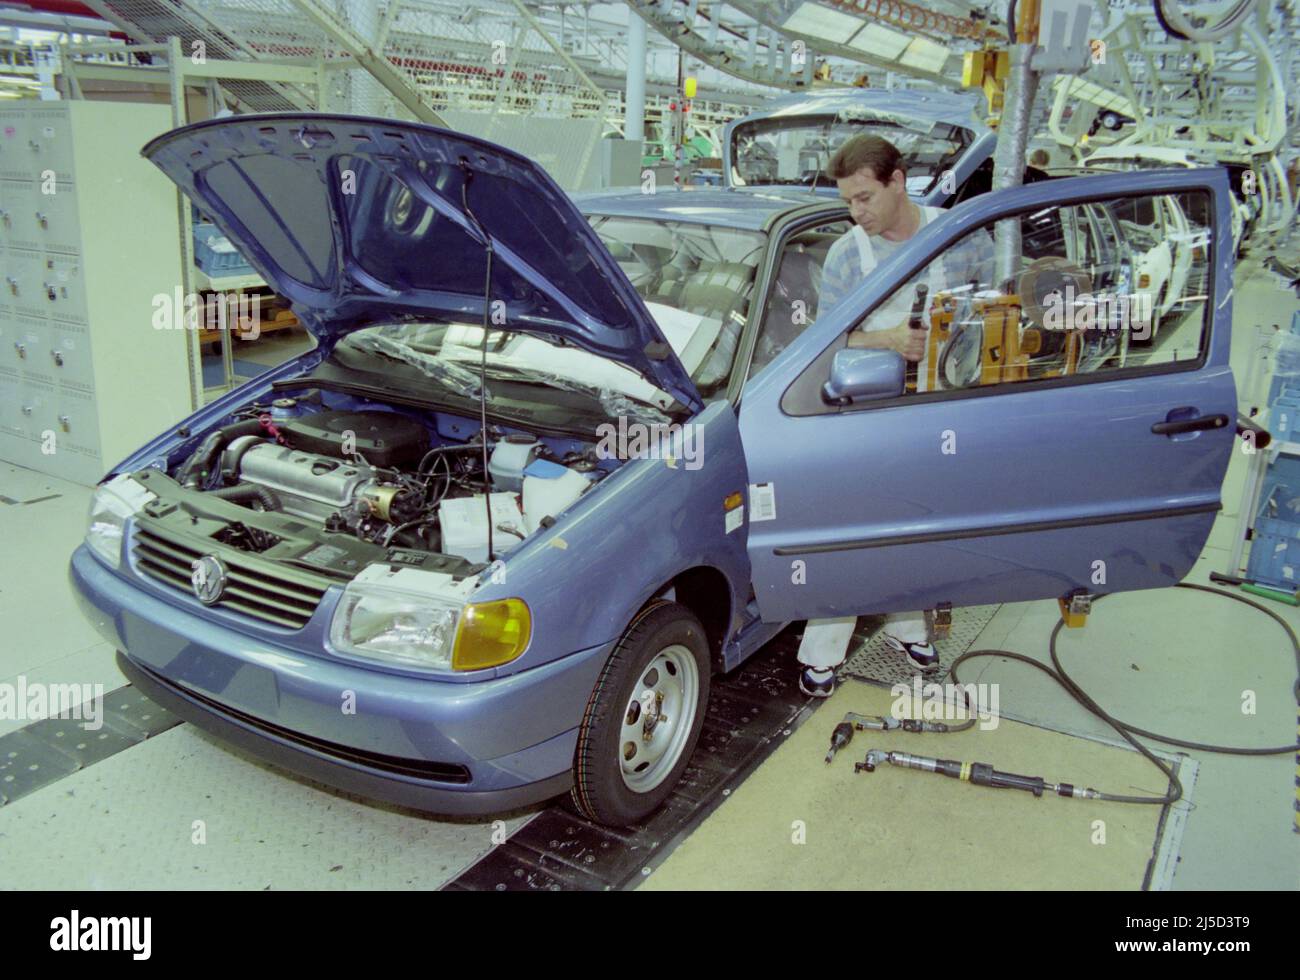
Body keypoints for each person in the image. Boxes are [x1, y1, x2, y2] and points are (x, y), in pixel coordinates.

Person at [798, 134, 993, 699]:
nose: (856, 213)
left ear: (898, 181)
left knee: (916, 526)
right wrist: (885, 338)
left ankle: (909, 625)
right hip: (869, 417)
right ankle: (821, 653)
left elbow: (998, 309)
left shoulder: (960, 238)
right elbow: (824, 340)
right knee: (857, 534)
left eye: (864, 198)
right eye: (849, 202)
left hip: (941, 412)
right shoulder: (845, 255)